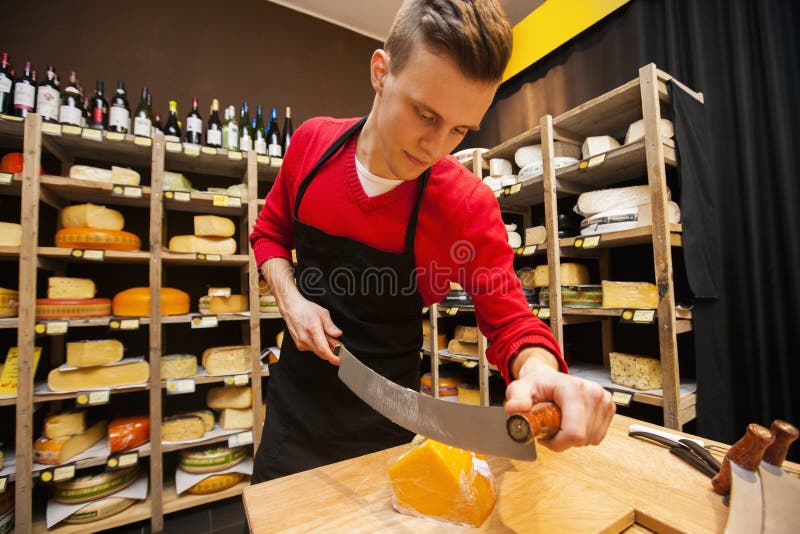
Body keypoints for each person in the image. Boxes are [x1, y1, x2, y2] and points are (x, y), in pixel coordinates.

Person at [249, 0, 615, 483]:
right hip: (294, 414)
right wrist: (292, 301)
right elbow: (269, 235)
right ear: (381, 72)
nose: (437, 147)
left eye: (459, 129)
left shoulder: (465, 205)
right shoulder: (313, 145)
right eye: (425, 115)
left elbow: (511, 323)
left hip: (385, 426)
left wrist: (539, 370)